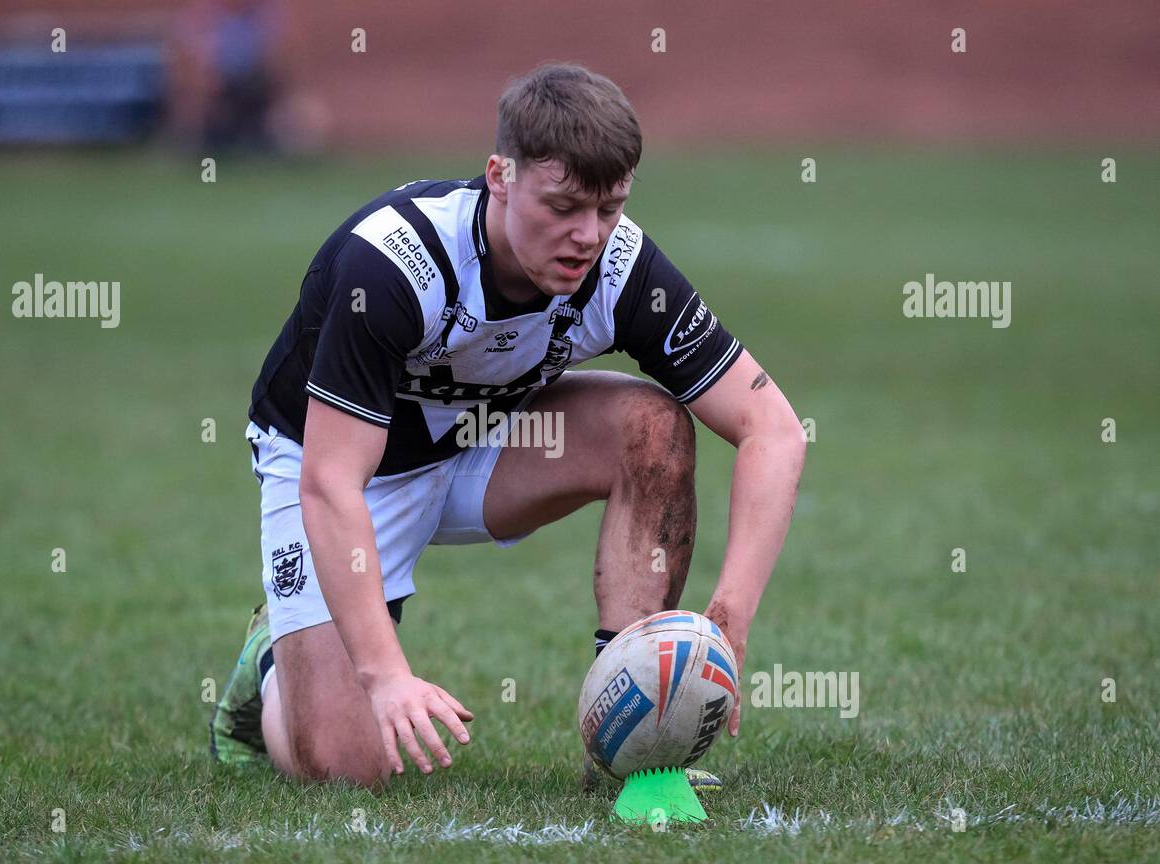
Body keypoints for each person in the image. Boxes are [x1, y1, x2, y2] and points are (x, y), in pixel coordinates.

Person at [210, 63, 807, 789]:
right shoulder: (396, 265)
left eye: (610, 208)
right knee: (344, 767)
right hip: (334, 467)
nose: (587, 235)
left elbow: (773, 428)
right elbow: (331, 483)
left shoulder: (619, 266)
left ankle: (631, 743)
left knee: (651, 425)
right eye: (562, 206)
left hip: (480, 439)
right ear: (499, 175)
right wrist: (386, 675)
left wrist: (728, 622)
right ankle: (270, 666)